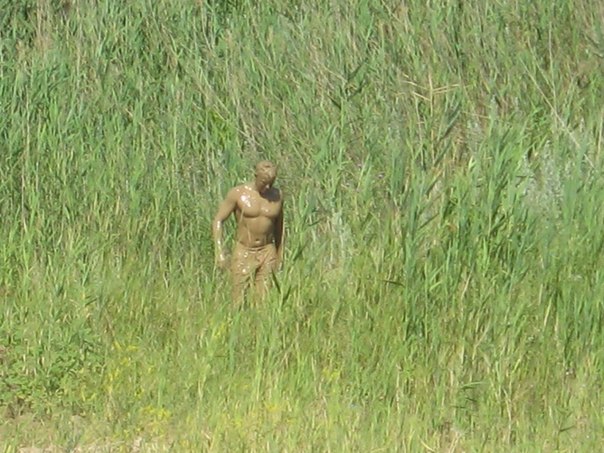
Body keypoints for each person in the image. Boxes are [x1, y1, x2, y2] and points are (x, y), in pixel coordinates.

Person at [212, 161, 284, 302]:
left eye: (271, 183)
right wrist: (219, 252)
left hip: (267, 250)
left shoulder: (277, 196)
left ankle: (260, 316)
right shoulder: (238, 194)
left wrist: (280, 254)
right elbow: (218, 220)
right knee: (238, 297)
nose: (267, 187)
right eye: (264, 182)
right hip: (244, 250)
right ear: (256, 175)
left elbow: (279, 227)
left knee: (263, 297)